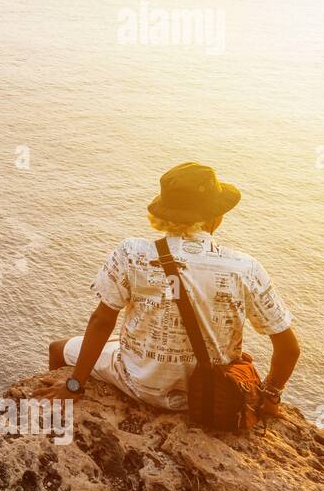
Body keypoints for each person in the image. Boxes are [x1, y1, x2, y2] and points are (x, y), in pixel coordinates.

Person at [34, 162, 301, 417]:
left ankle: (63, 410)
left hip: (140, 384)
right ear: (216, 217)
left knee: (58, 348)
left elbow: (102, 321)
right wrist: (270, 396)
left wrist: (74, 384)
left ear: (164, 213)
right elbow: (289, 349)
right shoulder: (245, 268)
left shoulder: (133, 253)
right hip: (210, 394)